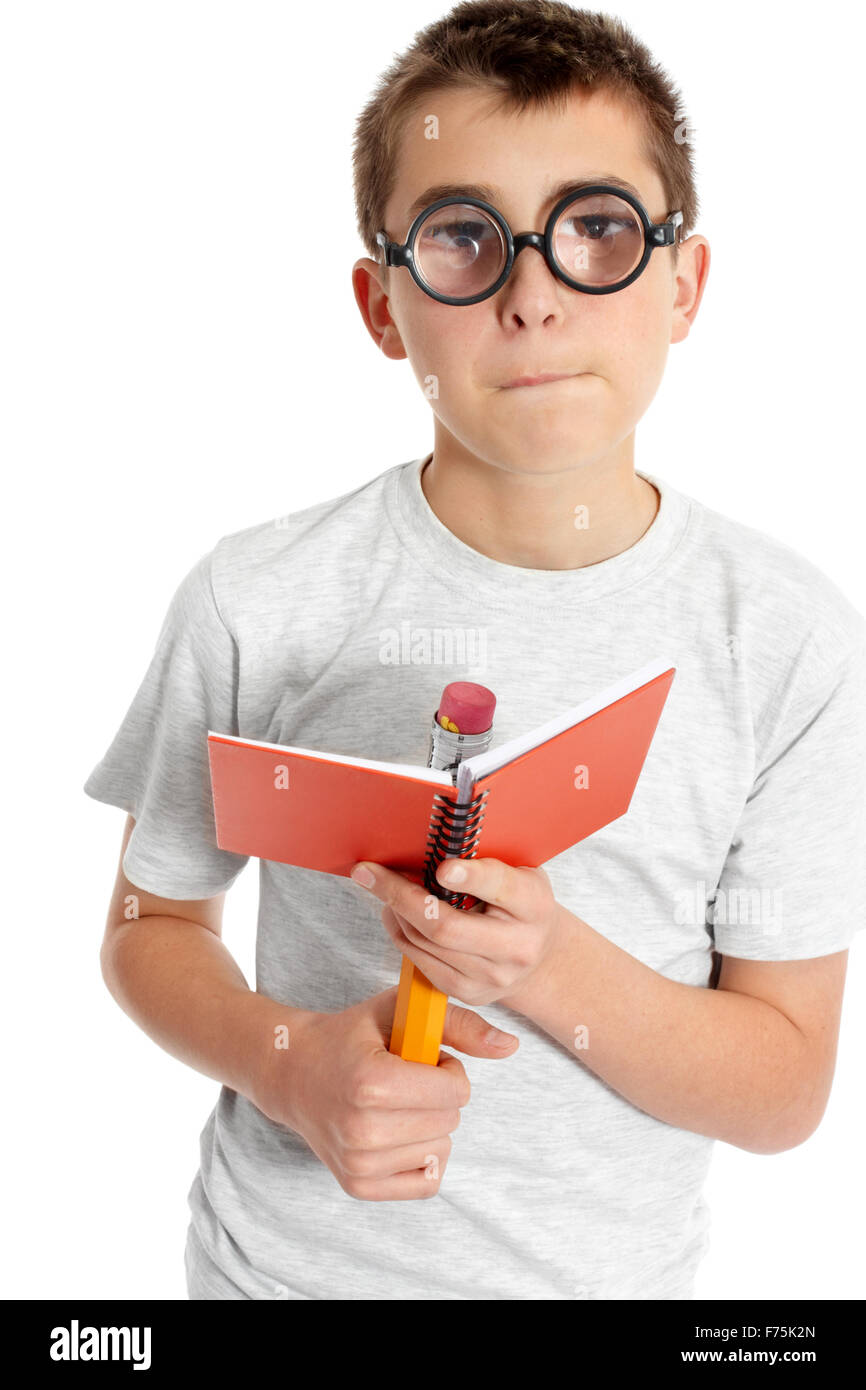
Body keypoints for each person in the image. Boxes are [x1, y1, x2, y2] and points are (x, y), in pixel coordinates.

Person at [84, 0, 866, 1300]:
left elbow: (782, 1088)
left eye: (597, 230)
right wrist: (284, 1056)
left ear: (685, 284)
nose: (532, 297)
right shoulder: (258, 596)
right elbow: (147, 922)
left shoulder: (783, 637)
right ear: (381, 305)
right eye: (461, 238)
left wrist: (547, 965)